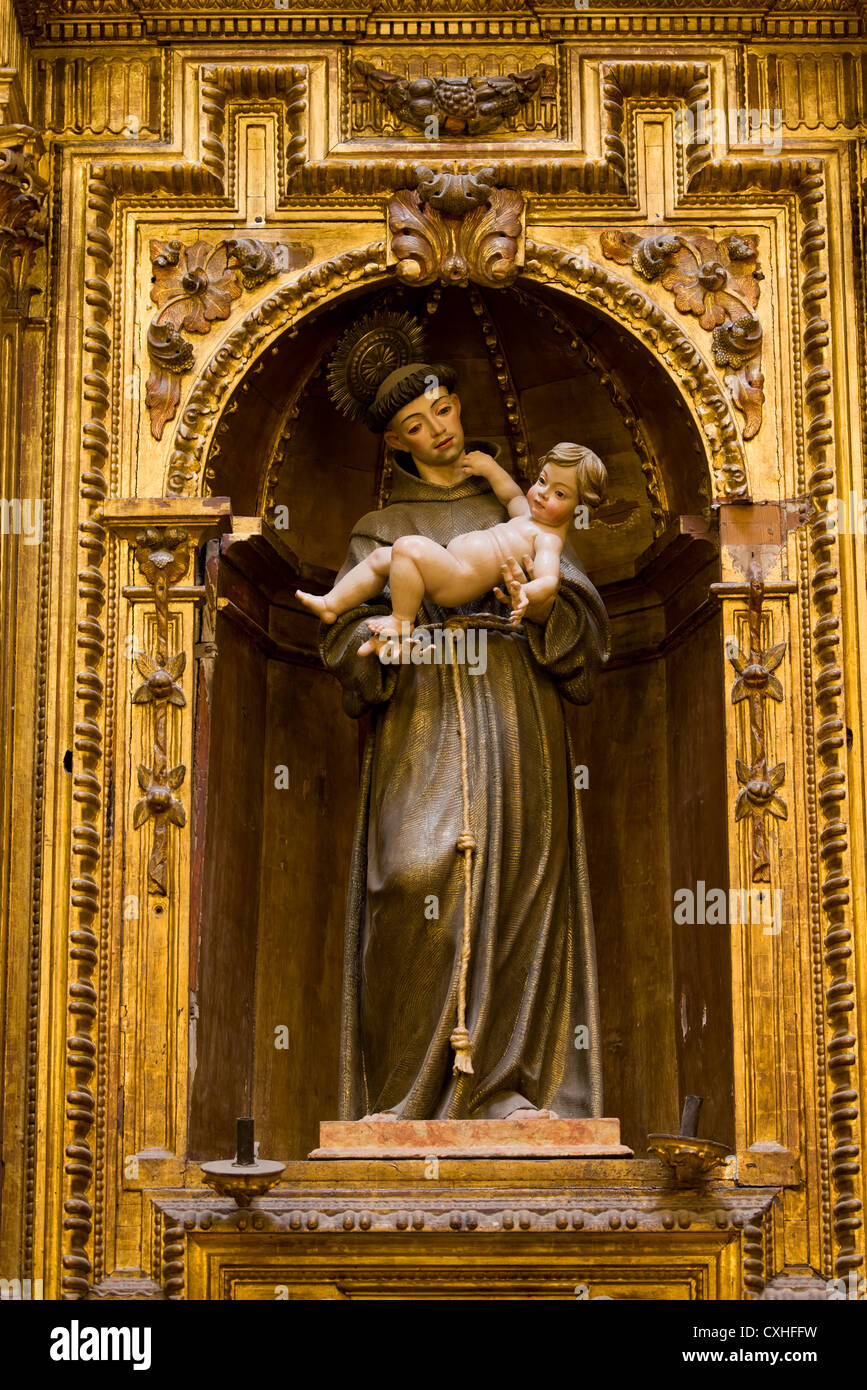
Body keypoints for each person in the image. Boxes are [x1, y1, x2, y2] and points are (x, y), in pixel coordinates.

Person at [319, 335, 610, 1122]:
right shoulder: (382, 523)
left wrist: (547, 607)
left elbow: (582, 619)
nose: (439, 430)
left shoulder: (523, 506)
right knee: (415, 875)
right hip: (424, 713)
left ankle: (503, 1088)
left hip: (513, 705)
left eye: (443, 410)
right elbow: (342, 639)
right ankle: (404, 1099)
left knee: (512, 885)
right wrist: (377, 641)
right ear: (393, 441)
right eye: (416, 424)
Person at [296, 442, 608, 645]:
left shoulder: (548, 540)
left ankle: (401, 621)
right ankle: (331, 604)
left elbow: (549, 580)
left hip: (459, 579)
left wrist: (526, 593)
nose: (542, 493)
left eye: (560, 494)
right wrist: (489, 468)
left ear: (579, 510)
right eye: (542, 481)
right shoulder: (527, 516)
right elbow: (511, 494)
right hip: (451, 564)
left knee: (407, 548)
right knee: (381, 557)